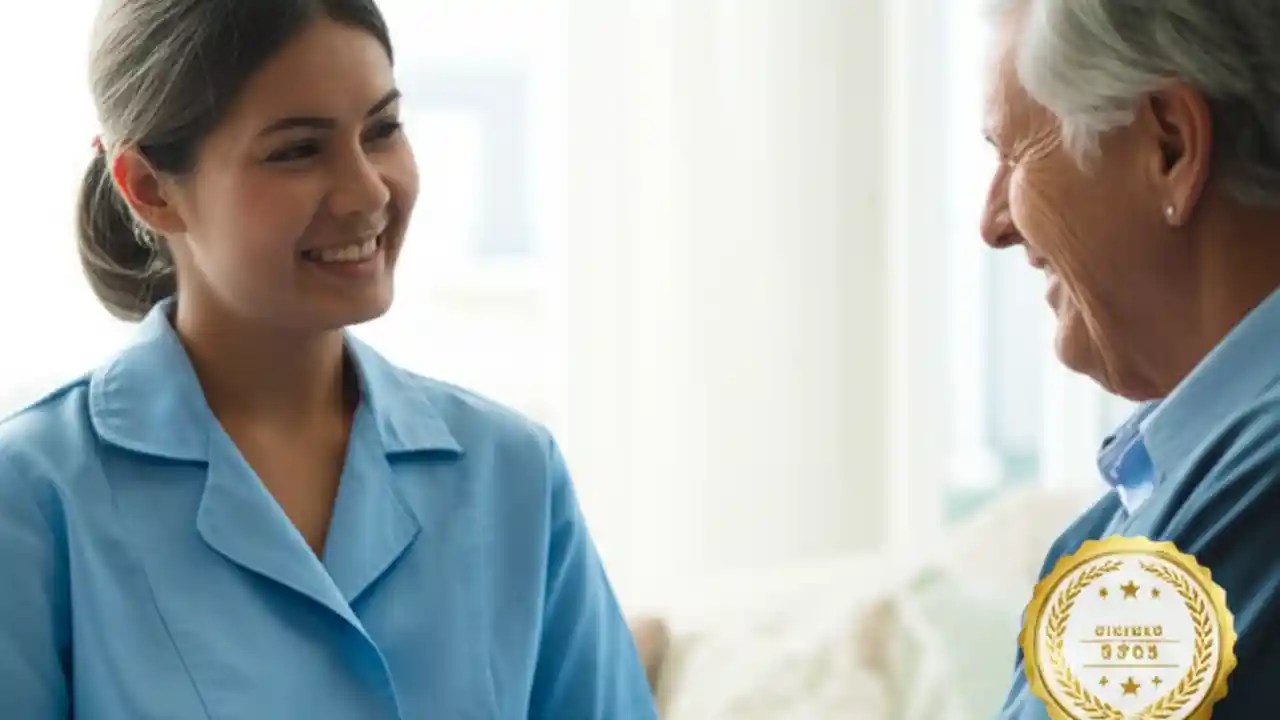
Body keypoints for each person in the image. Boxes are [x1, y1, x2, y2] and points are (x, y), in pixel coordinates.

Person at [0, 1, 657, 717]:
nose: (368, 190)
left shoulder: (513, 472)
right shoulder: (33, 497)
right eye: (298, 150)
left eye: (382, 130)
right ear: (151, 189)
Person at [979, 0, 1280, 717]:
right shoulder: (1159, 491)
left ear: (1170, 146)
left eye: (1015, 154)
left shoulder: (1258, 491)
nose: (993, 223)